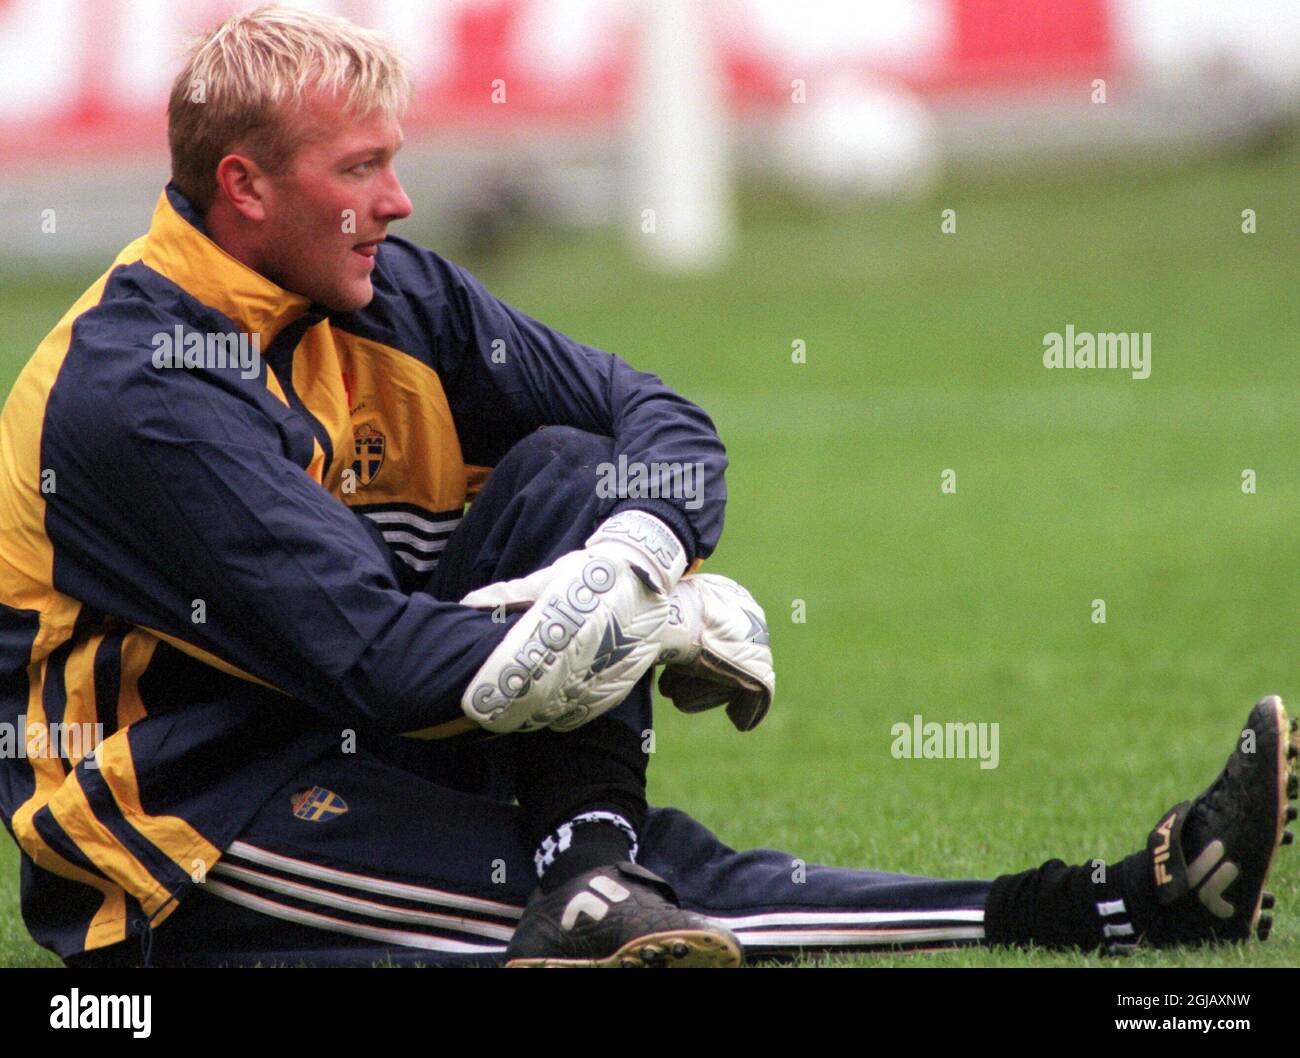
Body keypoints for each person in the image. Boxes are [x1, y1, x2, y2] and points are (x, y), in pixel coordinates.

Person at [0, 6, 1293, 969]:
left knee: (580, 470)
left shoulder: (390, 291)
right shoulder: (148, 391)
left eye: (393, 161)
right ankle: (1128, 901)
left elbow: (662, 424)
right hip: (187, 824)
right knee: (632, 899)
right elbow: (384, 662)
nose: (397, 201)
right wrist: (655, 615)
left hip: (360, 729)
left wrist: (629, 551)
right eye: (358, 172)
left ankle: (589, 863)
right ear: (243, 187)